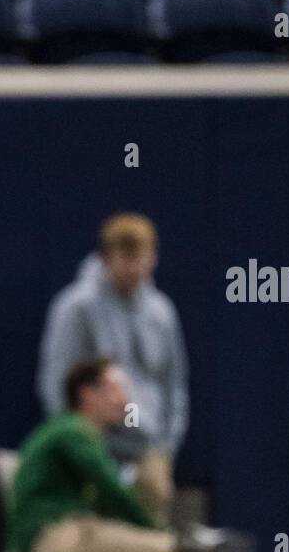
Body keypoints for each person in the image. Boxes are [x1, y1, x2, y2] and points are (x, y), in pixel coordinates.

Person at [6, 358, 212, 552]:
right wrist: (160, 532)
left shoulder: (68, 432)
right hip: (62, 544)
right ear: (87, 394)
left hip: (61, 543)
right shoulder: (74, 432)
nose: (125, 400)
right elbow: (113, 492)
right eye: (115, 389)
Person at [36, 214, 188, 526]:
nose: (136, 270)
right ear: (106, 258)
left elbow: (174, 385)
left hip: (148, 448)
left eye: (143, 260)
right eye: (127, 260)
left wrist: (165, 448)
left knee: (151, 538)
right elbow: (56, 383)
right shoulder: (76, 308)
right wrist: (77, 444)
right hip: (94, 447)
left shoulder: (162, 313)